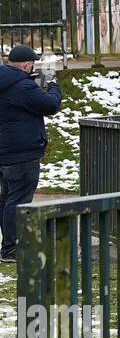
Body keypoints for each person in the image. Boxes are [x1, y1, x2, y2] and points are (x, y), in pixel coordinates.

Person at [0, 45, 62, 263]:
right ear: (27, 65)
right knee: (18, 201)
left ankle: (8, 245)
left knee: (7, 200)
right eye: (32, 64)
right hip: (22, 154)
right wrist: (53, 85)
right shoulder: (23, 88)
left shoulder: (7, 81)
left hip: (5, 152)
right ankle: (11, 250)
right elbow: (50, 105)